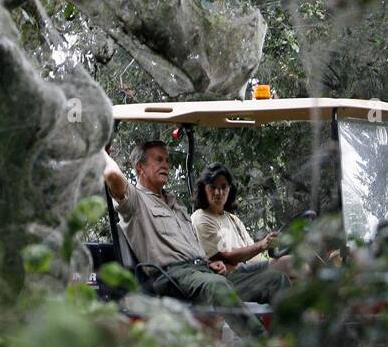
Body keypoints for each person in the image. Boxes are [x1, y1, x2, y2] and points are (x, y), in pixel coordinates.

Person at [102, 140, 288, 336]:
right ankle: (262, 346)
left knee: (276, 279)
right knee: (218, 286)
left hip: (200, 273)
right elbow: (113, 176)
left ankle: (291, 340)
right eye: (158, 160)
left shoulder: (175, 203)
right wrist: (100, 152)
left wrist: (208, 263)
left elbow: (187, 245)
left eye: (167, 160)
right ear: (140, 167)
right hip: (171, 277)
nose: (165, 164)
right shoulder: (135, 201)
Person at [191, 163, 293, 279]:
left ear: (230, 189)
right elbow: (225, 257)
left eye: (223, 187)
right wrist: (262, 245)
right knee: (292, 264)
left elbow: (253, 256)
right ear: (204, 189)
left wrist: (270, 260)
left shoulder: (233, 219)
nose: (218, 193)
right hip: (229, 277)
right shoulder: (201, 218)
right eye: (213, 187)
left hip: (248, 270)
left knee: (300, 263)